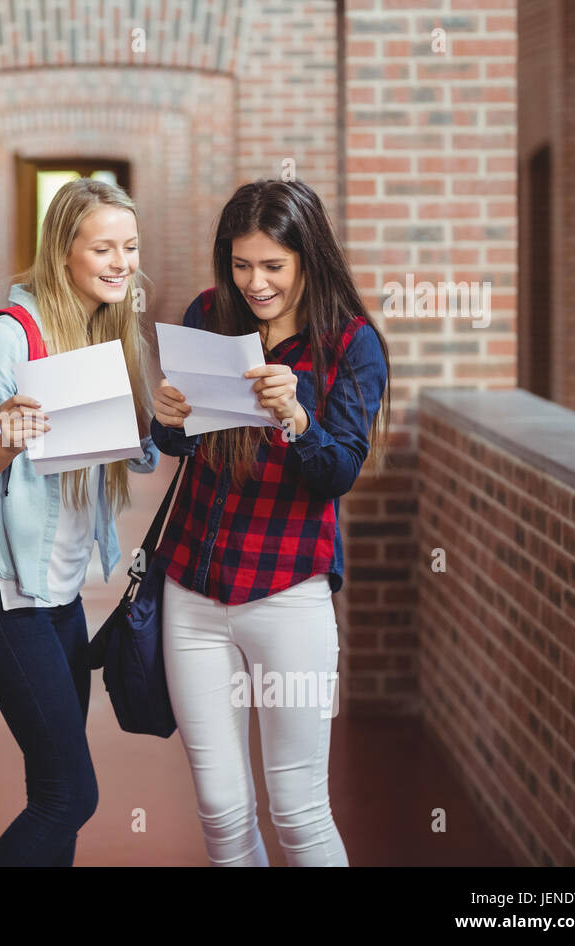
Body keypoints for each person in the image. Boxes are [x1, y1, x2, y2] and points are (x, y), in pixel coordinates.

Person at [150, 179, 391, 866]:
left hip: (288, 596)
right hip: (194, 592)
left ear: (308, 257)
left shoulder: (350, 344)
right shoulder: (206, 314)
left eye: (273, 266)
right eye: (241, 263)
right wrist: (167, 420)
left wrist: (297, 419)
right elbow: (178, 446)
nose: (254, 282)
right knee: (223, 814)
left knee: (299, 812)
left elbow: (337, 472)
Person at [0, 178, 159, 866]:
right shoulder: (8, 338)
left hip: (59, 603)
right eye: (103, 248)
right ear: (63, 252)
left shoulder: (103, 332)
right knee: (71, 795)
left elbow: (133, 459)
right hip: (2, 599)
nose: (122, 262)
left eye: (130, 247)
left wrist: (156, 416)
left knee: (52, 794)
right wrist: (5, 439)